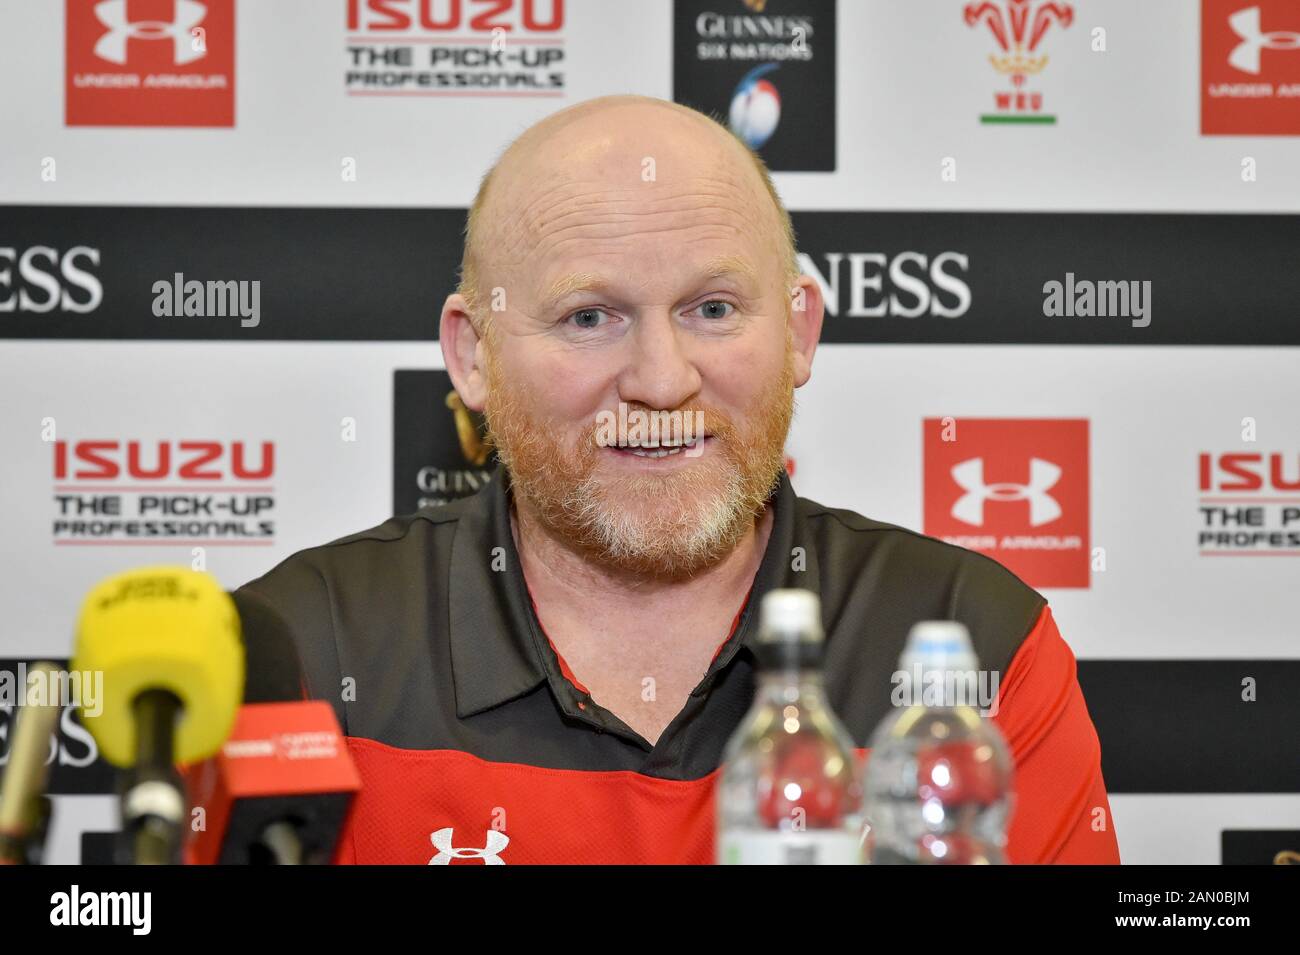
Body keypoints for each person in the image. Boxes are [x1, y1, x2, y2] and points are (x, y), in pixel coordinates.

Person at [236, 94, 1120, 864]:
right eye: (590, 316)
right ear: (473, 354)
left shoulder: (980, 644)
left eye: (713, 309)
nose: (661, 379)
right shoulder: (301, 652)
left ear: (801, 332)